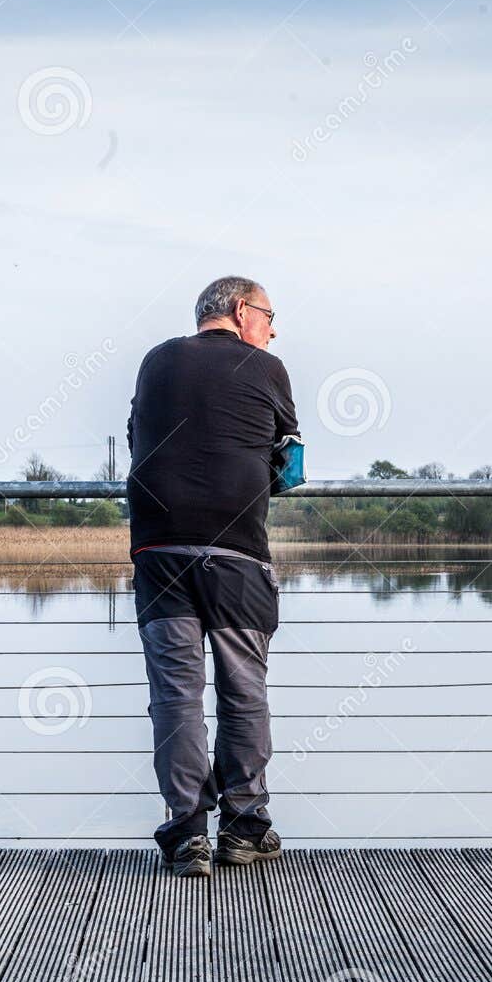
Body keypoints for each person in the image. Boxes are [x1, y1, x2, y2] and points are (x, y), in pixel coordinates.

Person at [126, 276, 300, 876]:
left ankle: (186, 835)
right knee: (243, 689)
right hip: (235, 550)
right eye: (271, 316)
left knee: (176, 694)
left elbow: (135, 437)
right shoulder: (265, 366)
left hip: (158, 546)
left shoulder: (155, 361)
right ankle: (245, 829)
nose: (274, 330)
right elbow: (290, 462)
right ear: (241, 310)